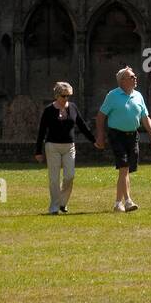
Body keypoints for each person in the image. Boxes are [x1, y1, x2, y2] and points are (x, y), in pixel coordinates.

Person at [95, 66, 151, 211]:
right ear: (122, 80)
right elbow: (100, 116)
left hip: (133, 136)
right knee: (124, 167)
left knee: (126, 170)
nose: (135, 78)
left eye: (135, 76)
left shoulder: (138, 96)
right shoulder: (112, 95)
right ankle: (127, 201)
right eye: (132, 77)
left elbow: (144, 116)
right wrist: (100, 135)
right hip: (117, 135)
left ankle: (118, 203)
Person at [34, 82, 96, 215]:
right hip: (52, 146)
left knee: (70, 176)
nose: (66, 99)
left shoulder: (73, 107)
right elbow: (41, 131)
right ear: (57, 95)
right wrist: (38, 151)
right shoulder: (49, 110)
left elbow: (82, 125)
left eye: (68, 96)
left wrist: (94, 140)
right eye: (63, 96)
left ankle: (63, 202)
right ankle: (54, 207)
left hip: (69, 147)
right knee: (54, 178)